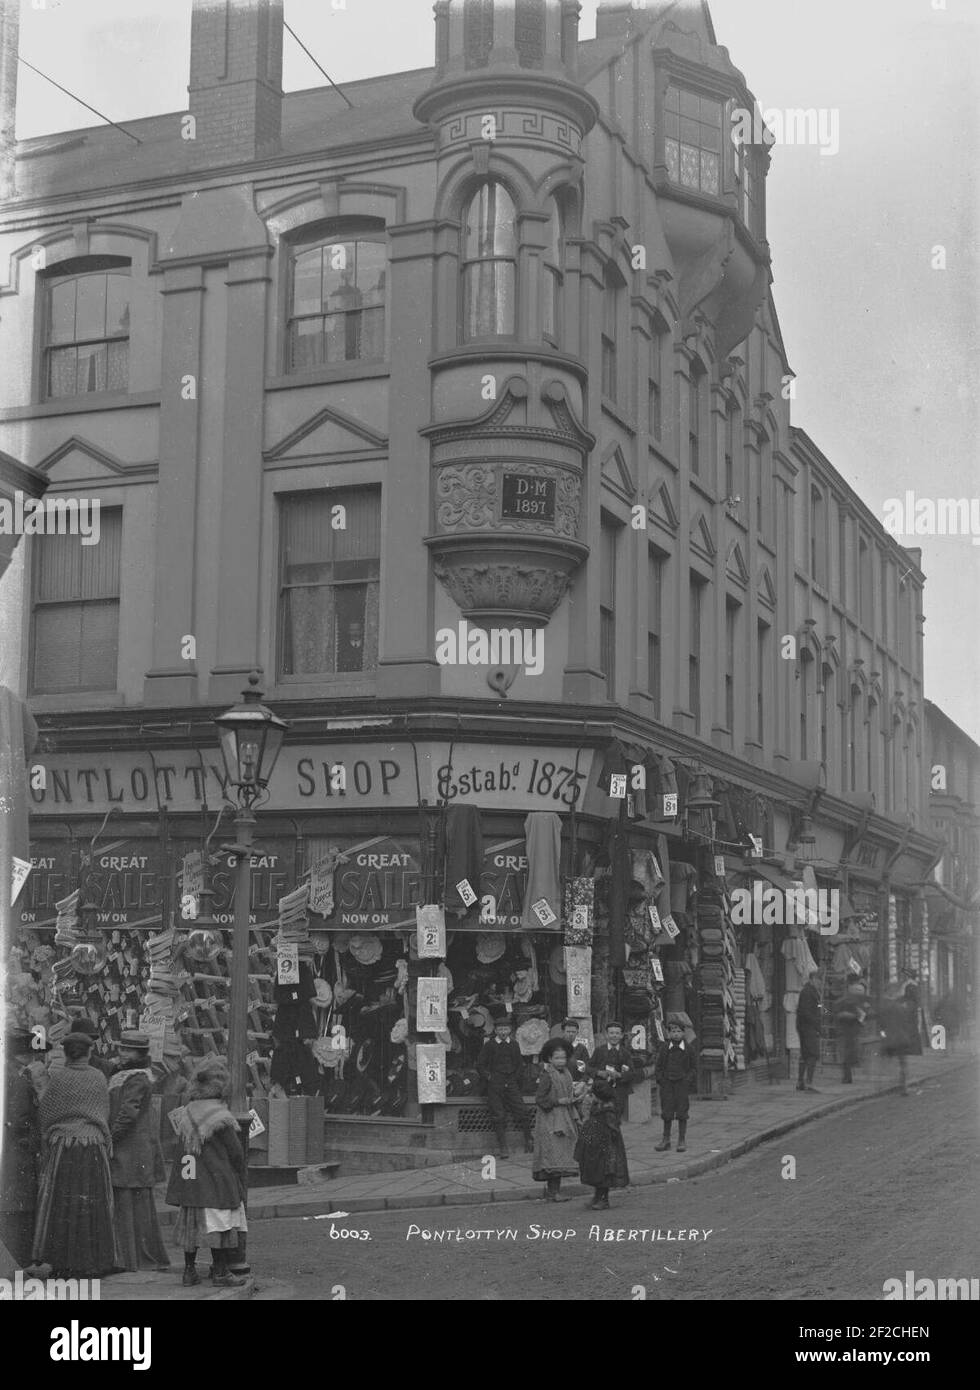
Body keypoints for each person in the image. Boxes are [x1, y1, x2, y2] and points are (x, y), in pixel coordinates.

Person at [32, 1031, 116, 1278]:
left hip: (63, 1148)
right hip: (92, 1146)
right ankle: (93, 1261)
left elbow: (46, 1114)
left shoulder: (58, 1078)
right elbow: (104, 1112)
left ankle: (62, 1262)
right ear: (89, 1052)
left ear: (66, 1053)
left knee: (62, 1204)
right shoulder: (98, 1077)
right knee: (92, 1204)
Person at [165, 1060, 248, 1288]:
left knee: (192, 1229)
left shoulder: (186, 1113)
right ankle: (221, 1272)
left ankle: (189, 1272)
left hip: (191, 1183)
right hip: (215, 1183)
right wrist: (239, 1177)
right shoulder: (220, 1116)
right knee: (219, 1227)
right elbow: (236, 1153)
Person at [108, 1031, 169, 1272]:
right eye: (121, 1048)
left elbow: (128, 1113)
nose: (122, 1053)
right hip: (134, 1148)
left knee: (130, 1204)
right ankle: (136, 1258)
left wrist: (110, 1138)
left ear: (140, 1054)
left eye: (127, 1050)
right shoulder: (130, 1075)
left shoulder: (136, 1078)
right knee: (134, 1205)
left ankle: (134, 1259)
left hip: (130, 1149)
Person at [1, 1029, 41, 1268]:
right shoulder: (17, 1080)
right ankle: (16, 1261)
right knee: (17, 1208)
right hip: (16, 1152)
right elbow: (18, 1120)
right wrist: (32, 1140)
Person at [477, 1015, 532, 1159]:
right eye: (500, 1029)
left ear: (510, 1030)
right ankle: (503, 1147)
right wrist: (489, 1077)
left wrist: (514, 1078)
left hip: (511, 1082)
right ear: (495, 1030)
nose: (503, 1032)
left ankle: (529, 1141)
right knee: (498, 1115)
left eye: (506, 1029)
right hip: (495, 1084)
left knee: (522, 1111)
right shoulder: (489, 1045)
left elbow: (520, 1065)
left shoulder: (514, 1044)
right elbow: (480, 1065)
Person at [531, 1040, 580, 1203]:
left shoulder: (566, 1073)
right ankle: (553, 1192)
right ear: (550, 1059)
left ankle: (554, 1192)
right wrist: (559, 1101)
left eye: (563, 1058)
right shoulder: (547, 1076)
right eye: (557, 1058)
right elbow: (540, 1099)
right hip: (550, 1120)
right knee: (552, 1154)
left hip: (564, 1117)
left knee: (561, 1153)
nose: (561, 1061)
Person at [574, 1078, 630, 1210]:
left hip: (606, 1147)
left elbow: (613, 1129)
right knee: (596, 1171)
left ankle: (604, 1199)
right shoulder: (597, 1105)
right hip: (595, 1144)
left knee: (605, 1174)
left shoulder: (608, 1109)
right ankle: (597, 1197)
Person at [654, 1020, 697, 1152]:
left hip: (681, 1084)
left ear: (683, 1033)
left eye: (679, 1031)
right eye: (673, 1031)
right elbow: (659, 1067)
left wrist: (687, 1080)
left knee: (682, 1111)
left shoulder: (689, 1049)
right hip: (667, 1084)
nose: (676, 1034)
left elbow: (693, 1068)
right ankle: (666, 1139)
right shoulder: (664, 1048)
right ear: (668, 1033)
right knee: (667, 1111)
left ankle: (681, 1140)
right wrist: (662, 1080)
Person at [587, 1022, 636, 1121]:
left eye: (617, 1033)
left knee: (616, 1119)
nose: (614, 1036)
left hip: (619, 1091)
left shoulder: (625, 1053)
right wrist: (599, 1073)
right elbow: (588, 1068)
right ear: (606, 1035)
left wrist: (619, 1075)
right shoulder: (599, 1051)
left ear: (621, 1035)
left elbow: (632, 1073)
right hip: (601, 1091)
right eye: (611, 1033)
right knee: (599, 1117)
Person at [877, 984, 913, 1095]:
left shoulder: (884, 1008)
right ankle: (903, 1086)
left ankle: (884, 1084)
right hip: (901, 1038)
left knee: (886, 1060)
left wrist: (883, 1034)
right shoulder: (902, 1008)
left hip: (889, 1038)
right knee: (902, 1062)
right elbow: (907, 1023)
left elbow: (881, 1024)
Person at [832, 974, 867, 1083]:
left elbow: (834, 1013)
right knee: (848, 1052)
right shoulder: (851, 999)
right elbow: (862, 1014)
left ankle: (847, 1076)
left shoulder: (845, 1000)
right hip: (850, 1030)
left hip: (847, 1030)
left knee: (846, 1053)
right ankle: (847, 1076)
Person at [796, 970, 822, 1092]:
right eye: (818, 980)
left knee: (806, 1054)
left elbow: (820, 1006)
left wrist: (828, 1012)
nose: (819, 983)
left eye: (820, 980)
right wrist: (816, 1024)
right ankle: (808, 1083)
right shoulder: (807, 992)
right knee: (812, 1054)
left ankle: (800, 1082)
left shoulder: (814, 993)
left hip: (807, 1026)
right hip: (807, 1027)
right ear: (812, 979)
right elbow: (805, 1011)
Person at [902, 975, 924, 1055]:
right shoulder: (915, 987)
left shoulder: (909, 987)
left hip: (910, 1014)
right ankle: (916, 1050)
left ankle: (911, 1050)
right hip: (914, 1015)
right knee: (914, 1032)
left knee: (910, 1032)